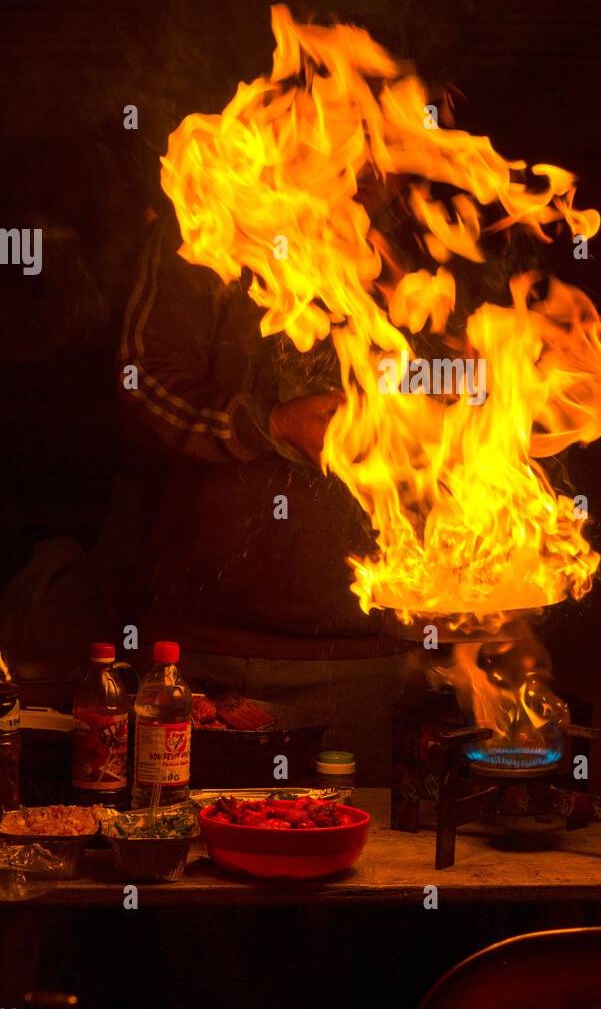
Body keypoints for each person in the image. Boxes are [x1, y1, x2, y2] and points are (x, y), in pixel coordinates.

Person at [116, 184, 411, 783]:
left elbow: (497, 407)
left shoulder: (441, 233)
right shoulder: (211, 202)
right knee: (188, 848)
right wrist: (266, 424)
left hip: (375, 660)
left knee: (378, 862)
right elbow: (139, 381)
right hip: (205, 654)